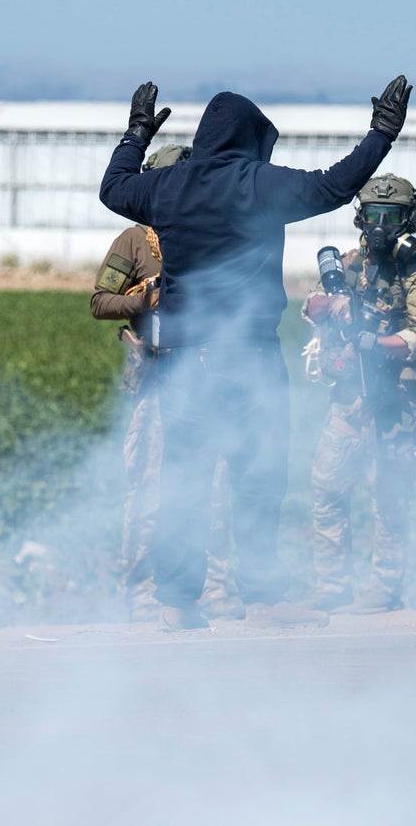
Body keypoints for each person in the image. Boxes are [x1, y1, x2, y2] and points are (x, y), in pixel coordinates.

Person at [99, 75, 413, 630]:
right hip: (247, 357)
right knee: (259, 475)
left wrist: (137, 133)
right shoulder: (257, 184)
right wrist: (381, 135)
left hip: (181, 358)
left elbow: (113, 187)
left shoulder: (167, 186)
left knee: (185, 479)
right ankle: (265, 600)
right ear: (249, 139)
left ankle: (177, 604)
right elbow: (336, 185)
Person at [90, 144, 241, 622]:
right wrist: (141, 301)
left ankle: (211, 590)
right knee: (152, 490)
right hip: (158, 381)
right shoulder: (134, 242)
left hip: (207, 379)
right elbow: (99, 302)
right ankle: (141, 593)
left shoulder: (213, 235)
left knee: (214, 487)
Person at [300, 174, 416, 614]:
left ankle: (385, 589)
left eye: (392, 216)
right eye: (374, 215)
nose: (380, 225)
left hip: (394, 400)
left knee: (389, 495)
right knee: (327, 486)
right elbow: (310, 307)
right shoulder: (350, 263)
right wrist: (336, 305)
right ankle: (331, 585)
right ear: (361, 217)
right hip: (347, 398)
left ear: (408, 219)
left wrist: (375, 343)